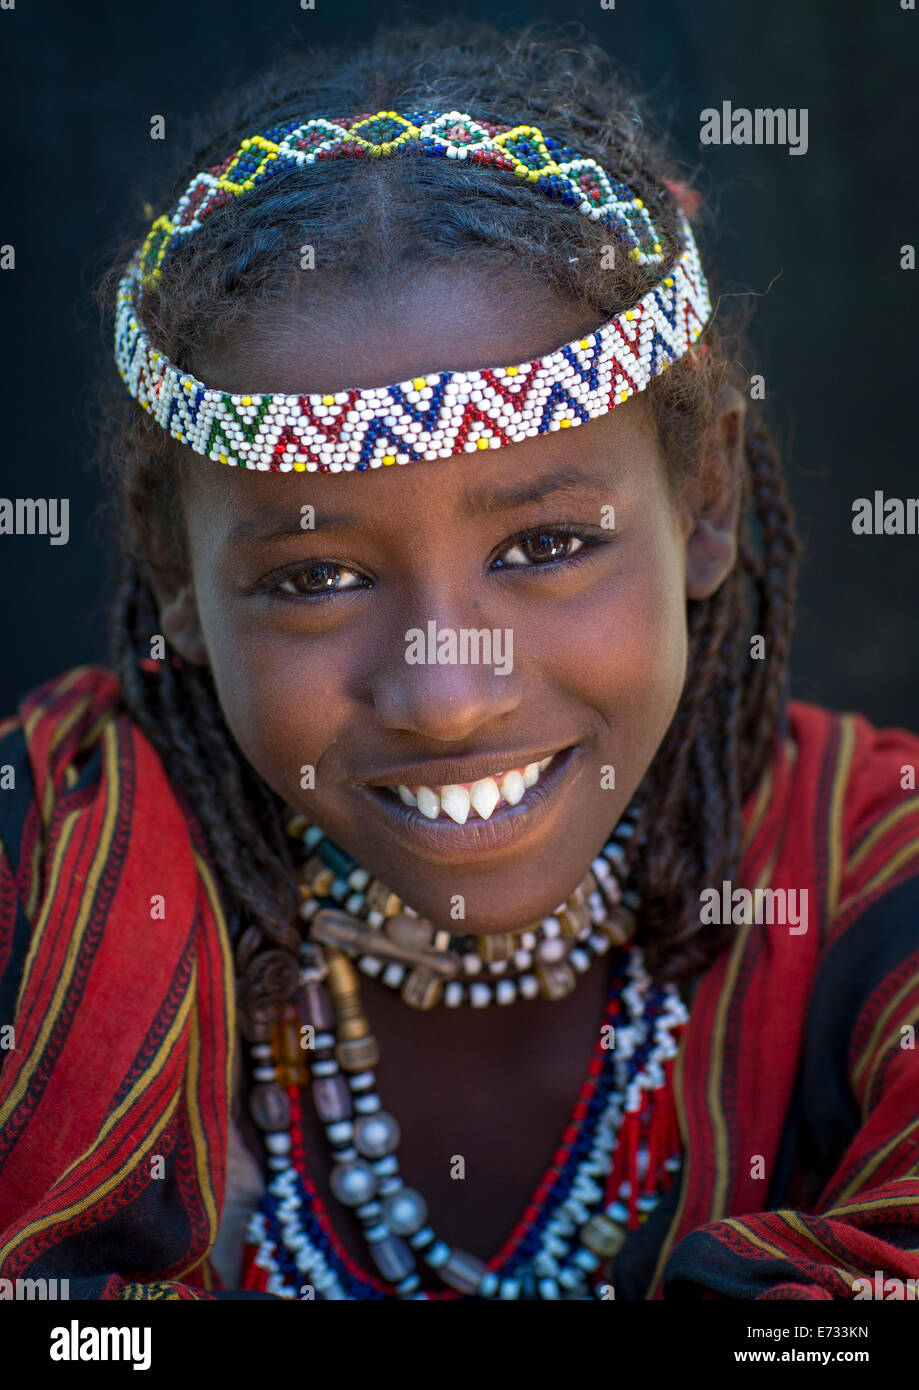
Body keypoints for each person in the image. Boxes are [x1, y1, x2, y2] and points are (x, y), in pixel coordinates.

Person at [1, 18, 917, 1302]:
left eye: (545, 543)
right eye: (315, 577)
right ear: (179, 584)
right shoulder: (52, 872)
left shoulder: (878, 882)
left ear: (703, 501)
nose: (443, 692)